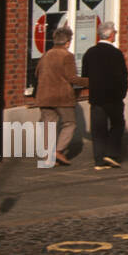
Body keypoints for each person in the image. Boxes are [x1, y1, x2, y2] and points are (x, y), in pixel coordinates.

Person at [34, 26, 87, 167]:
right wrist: (91, 81)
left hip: (44, 96)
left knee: (48, 125)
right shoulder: (67, 56)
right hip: (62, 97)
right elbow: (72, 78)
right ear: (68, 42)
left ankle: (47, 157)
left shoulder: (45, 55)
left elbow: (37, 73)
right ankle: (58, 151)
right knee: (70, 124)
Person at [82, 21, 128, 170]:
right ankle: (111, 153)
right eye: (114, 32)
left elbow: (85, 76)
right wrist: (122, 93)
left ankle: (98, 160)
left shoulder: (90, 52)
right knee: (118, 124)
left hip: (96, 98)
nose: (115, 34)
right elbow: (122, 76)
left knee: (98, 129)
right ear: (111, 35)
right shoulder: (116, 54)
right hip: (114, 97)